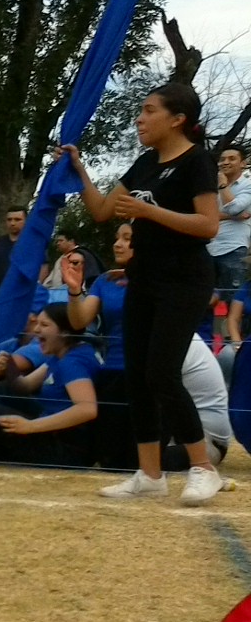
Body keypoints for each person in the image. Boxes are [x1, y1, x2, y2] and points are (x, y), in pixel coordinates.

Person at [67, 84, 224, 503]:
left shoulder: (197, 162)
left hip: (185, 281)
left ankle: (203, 468)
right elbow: (102, 212)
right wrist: (78, 170)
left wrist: (149, 211)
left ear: (177, 119)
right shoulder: (144, 163)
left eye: (148, 110)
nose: (139, 117)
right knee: (137, 377)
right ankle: (150, 475)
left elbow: (209, 225)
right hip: (144, 280)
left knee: (161, 372)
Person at [0, 303, 100, 467]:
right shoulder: (62, 354)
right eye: (37, 323)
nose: (36, 330)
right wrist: (9, 366)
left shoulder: (73, 362)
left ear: (65, 332)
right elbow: (24, 386)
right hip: (53, 430)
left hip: (67, 446)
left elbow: (87, 409)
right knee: (4, 389)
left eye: (44, 325)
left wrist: (30, 426)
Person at [212, 144, 250, 293]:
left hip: (233, 249)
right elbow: (201, 213)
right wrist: (232, 217)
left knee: (232, 298)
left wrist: (222, 185)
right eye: (222, 159)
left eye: (231, 159)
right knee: (204, 300)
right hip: (209, 247)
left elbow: (233, 208)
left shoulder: (248, 185)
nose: (225, 162)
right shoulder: (209, 185)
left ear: (243, 164)